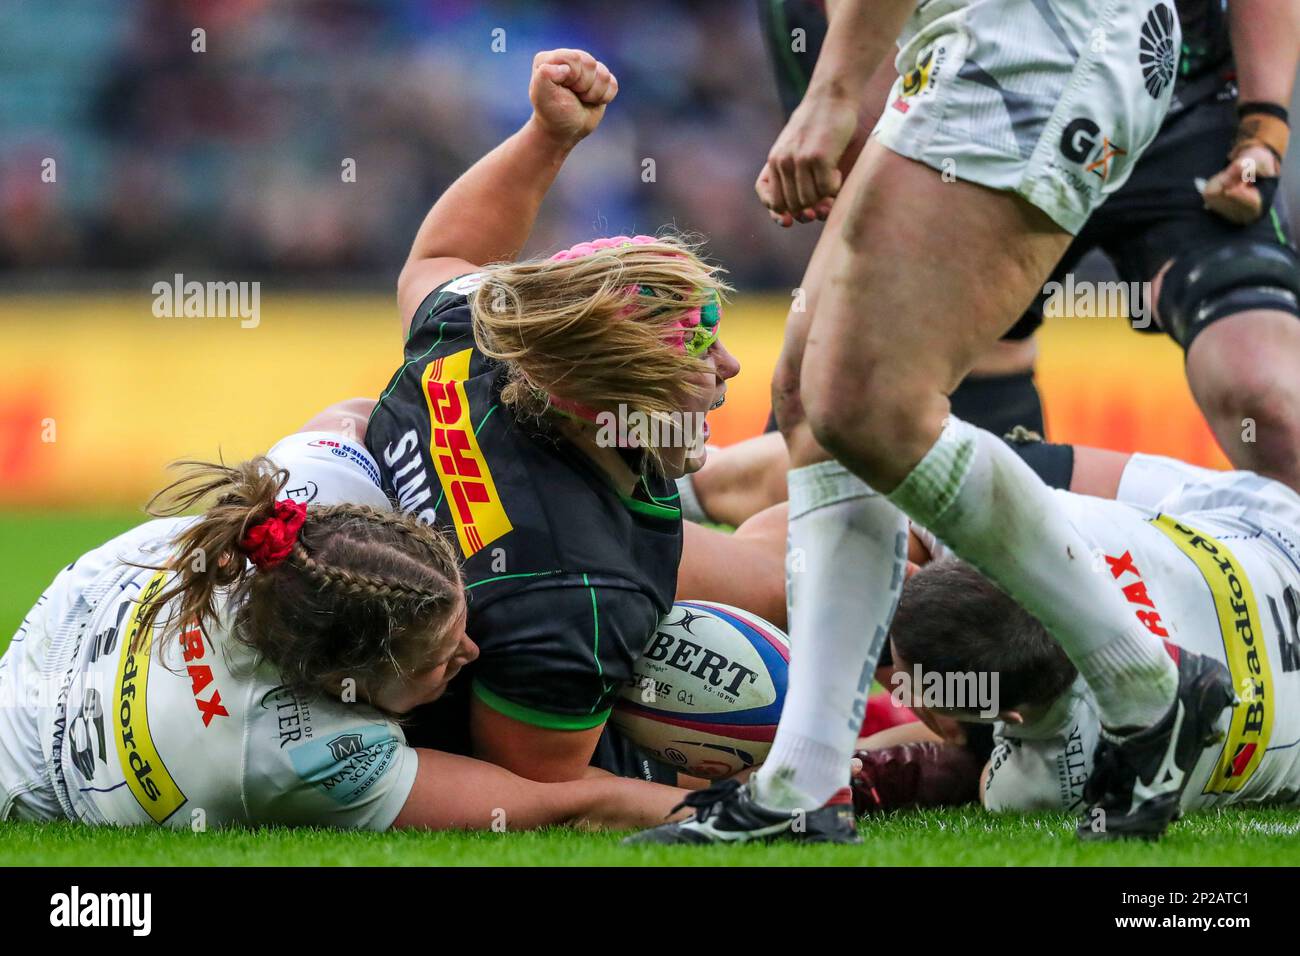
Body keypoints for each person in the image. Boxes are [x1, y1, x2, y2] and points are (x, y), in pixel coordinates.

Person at [630, 0, 1239, 846]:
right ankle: (803, 782)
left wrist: (836, 90)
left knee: (870, 406)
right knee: (811, 398)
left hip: (1043, 34)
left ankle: (1147, 687)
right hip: (977, 36)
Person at [680, 0, 1300, 530]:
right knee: (834, 417)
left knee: (1268, 402)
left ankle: (670, 500)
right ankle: (684, 510)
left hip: (1152, 89)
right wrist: (840, 100)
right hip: (982, 85)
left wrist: (1264, 124)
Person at [0, 415, 690, 831]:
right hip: (23, 770)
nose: (474, 652)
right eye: (442, 659)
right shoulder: (289, 753)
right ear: (344, 683)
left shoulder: (311, 503)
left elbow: (353, 417)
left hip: (77, 620)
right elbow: (554, 807)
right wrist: (744, 809)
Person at [365, 48, 744, 784]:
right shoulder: (580, 599)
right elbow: (539, 788)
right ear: (614, 407)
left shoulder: (490, 336)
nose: (729, 368)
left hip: (501, 530)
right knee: (789, 579)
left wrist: (549, 134)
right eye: (692, 358)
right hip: (531, 644)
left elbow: (441, 255)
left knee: (787, 519)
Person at [884, 451, 1300, 825]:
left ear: (1007, 717)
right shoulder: (1038, 522)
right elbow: (900, 526)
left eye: (913, 695)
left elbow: (977, 774)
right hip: (1275, 528)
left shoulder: (1055, 785)